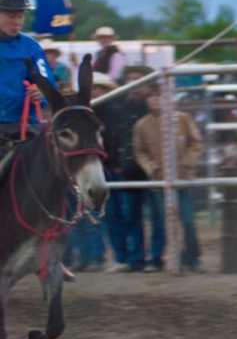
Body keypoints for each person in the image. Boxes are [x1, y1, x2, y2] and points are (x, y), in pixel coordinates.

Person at [133, 82, 206, 273]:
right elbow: (140, 152)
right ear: (147, 100)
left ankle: (193, 258)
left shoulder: (182, 119)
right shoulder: (141, 125)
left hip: (182, 179)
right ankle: (175, 258)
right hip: (159, 182)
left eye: (160, 96)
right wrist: (151, 168)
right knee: (165, 223)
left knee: (188, 221)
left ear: (168, 99)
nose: (156, 100)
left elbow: (196, 142)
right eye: (152, 96)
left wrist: (188, 162)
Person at [96, 64, 152, 272]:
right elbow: (113, 138)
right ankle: (123, 257)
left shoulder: (149, 109)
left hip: (140, 171)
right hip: (118, 169)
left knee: (133, 216)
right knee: (115, 215)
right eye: (130, 79)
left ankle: (137, 258)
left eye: (138, 79)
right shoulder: (119, 108)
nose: (133, 83)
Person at [64, 72, 118, 272]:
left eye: (98, 88)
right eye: (92, 88)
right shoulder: (81, 115)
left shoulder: (106, 113)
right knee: (77, 217)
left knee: (92, 215)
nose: (94, 92)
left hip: (95, 168)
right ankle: (84, 256)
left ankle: (95, 257)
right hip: (80, 169)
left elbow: (109, 141)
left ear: (104, 91)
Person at [0, 0, 52, 150]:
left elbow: (47, 83)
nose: (17, 22)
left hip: (23, 125)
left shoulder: (31, 46)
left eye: (20, 16)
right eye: (11, 16)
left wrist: (41, 91)